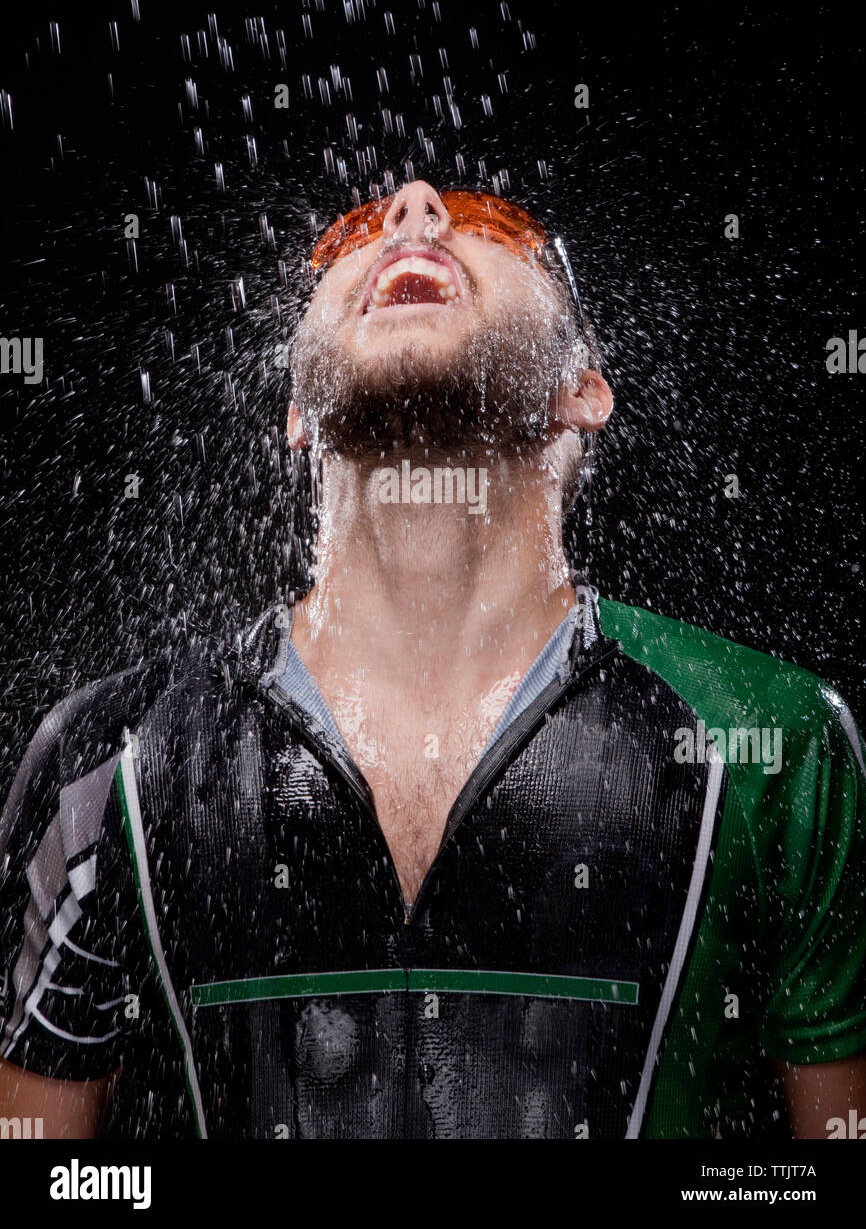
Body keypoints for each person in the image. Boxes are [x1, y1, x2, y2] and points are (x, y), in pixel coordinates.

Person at [0, 181, 864, 1140]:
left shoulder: (768, 739)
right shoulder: (112, 758)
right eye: (355, 234)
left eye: (493, 223)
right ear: (294, 411)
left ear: (586, 387)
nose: (411, 210)